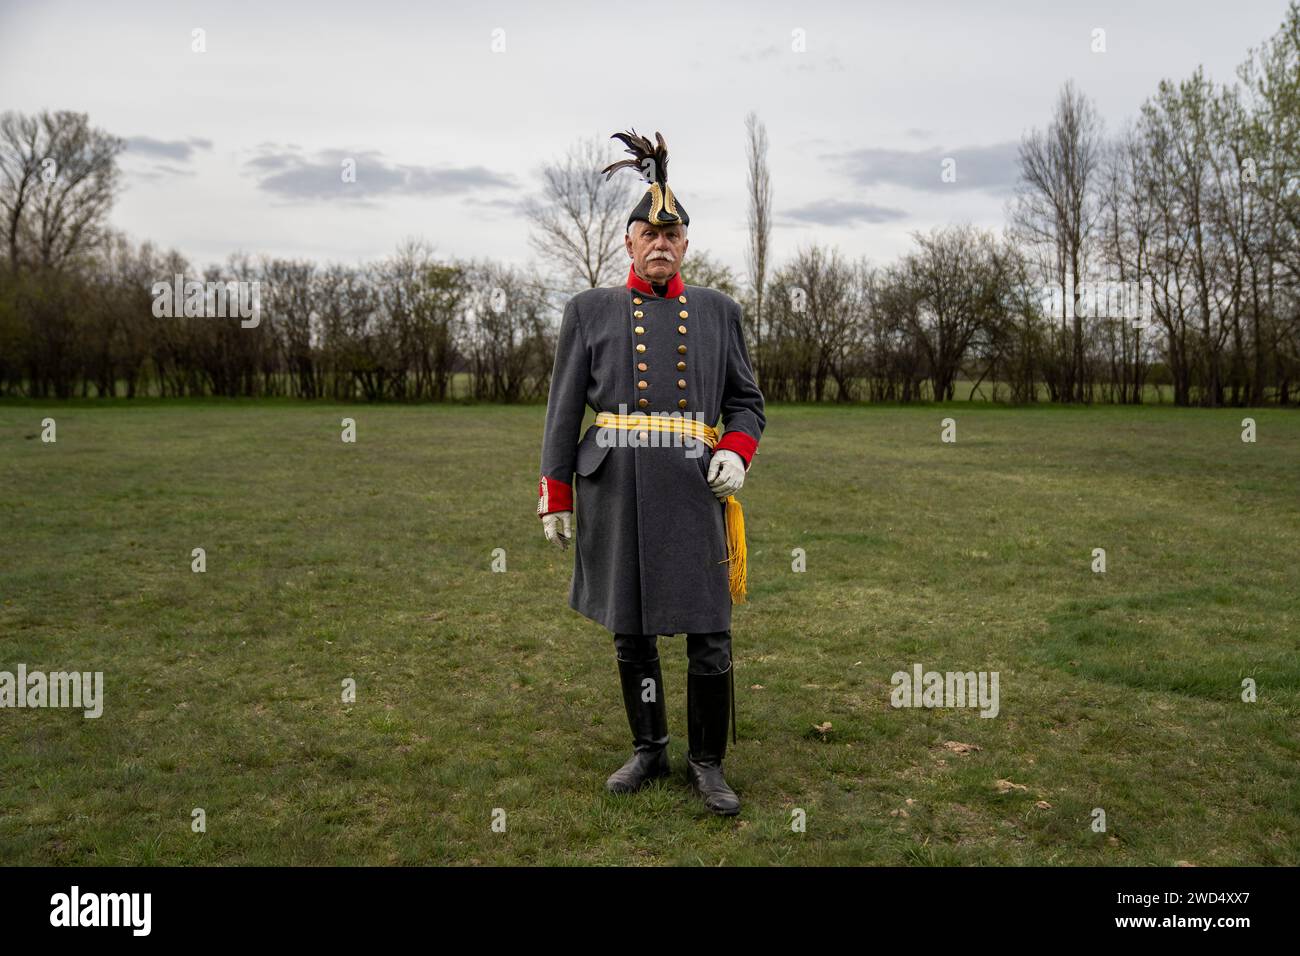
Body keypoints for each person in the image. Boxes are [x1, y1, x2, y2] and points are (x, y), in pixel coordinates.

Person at [537, 129, 765, 816]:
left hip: (695, 490)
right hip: (616, 490)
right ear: (629, 243)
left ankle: (707, 761)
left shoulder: (720, 313)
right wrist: (556, 493)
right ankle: (649, 748)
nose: (660, 243)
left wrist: (734, 449)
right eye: (647, 233)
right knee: (631, 631)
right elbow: (564, 407)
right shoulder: (589, 311)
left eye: (672, 235)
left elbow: (746, 401)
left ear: (685, 246)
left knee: (708, 632)